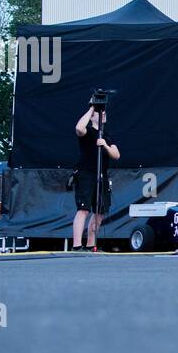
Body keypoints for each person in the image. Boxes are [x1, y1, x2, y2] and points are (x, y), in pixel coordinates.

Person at [72, 103, 121, 251]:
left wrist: (105, 145)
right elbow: (79, 128)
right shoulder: (88, 132)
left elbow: (116, 155)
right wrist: (92, 108)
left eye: (105, 112)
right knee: (83, 209)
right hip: (86, 174)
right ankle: (77, 245)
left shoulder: (106, 136)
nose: (104, 114)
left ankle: (91, 244)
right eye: (101, 113)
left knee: (100, 210)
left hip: (102, 175)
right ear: (93, 117)